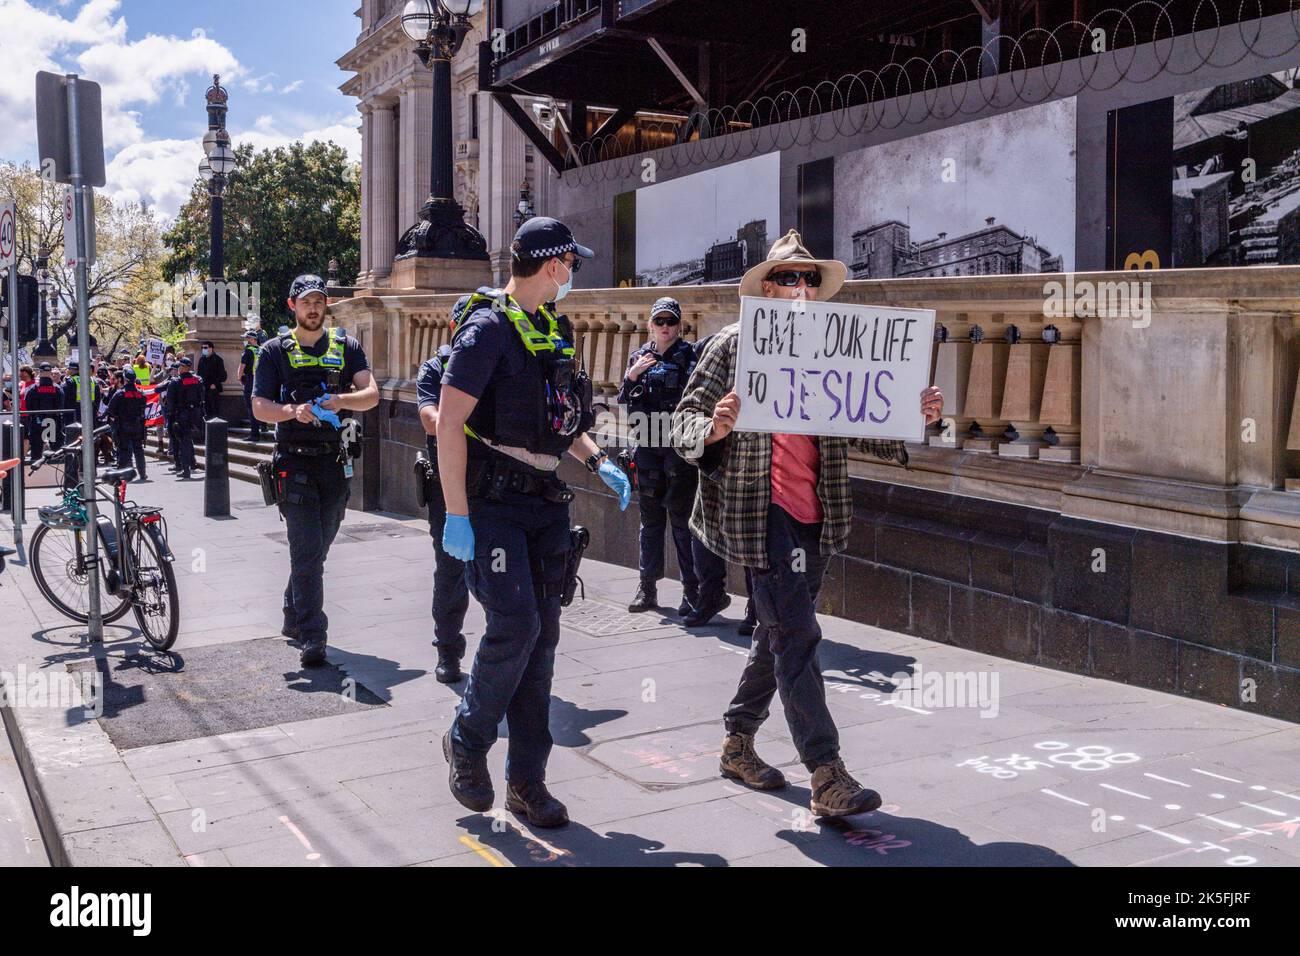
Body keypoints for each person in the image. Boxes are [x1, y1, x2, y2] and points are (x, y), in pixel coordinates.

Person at [670, 228, 944, 818]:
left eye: (810, 279)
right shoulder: (731, 345)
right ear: (766, 287)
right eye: (789, 277)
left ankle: (737, 742)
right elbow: (682, 424)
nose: (801, 287)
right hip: (757, 513)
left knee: (777, 635)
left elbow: (866, 419)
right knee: (798, 636)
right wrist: (713, 427)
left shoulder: (835, 348)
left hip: (818, 516)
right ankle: (826, 772)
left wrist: (913, 417)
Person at [436, 217, 631, 827]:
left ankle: (527, 782)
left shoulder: (556, 329)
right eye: (571, 265)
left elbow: (559, 421)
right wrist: (458, 516)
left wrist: (598, 461)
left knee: (542, 642)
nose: (573, 275)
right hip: (492, 505)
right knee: (515, 625)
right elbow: (447, 422)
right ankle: (467, 740)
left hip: (546, 502)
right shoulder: (487, 330)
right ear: (554, 265)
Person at [253, 274, 378, 667]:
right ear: (292, 305)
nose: (313, 308)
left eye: (319, 302)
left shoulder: (347, 346)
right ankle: (313, 634)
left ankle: (293, 608)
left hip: (335, 463)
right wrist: (292, 411)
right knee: (306, 552)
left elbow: (371, 394)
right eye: (306, 302)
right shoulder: (273, 351)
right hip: (293, 463)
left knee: (317, 550)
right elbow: (258, 406)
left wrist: (341, 400)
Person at [617, 295, 708, 617]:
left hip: (679, 450)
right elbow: (623, 401)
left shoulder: (690, 355)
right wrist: (631, 376)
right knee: (650, 522)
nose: (666, 327)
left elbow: (699, 398)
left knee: (682, 523)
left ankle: (692, 591)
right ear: (650, 324)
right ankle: (647, 587)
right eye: (660, 321)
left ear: (680, 324)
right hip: (647, 447)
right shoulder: (639, 357)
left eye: (671, 321)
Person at [415, 292, 482, 684]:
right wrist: (457, 421)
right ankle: (448, 651)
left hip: (492, 483)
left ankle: (503, 655)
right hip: (448, 485)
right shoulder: (436, 367)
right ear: (455, 327)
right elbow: (430, 419)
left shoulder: (495, 361)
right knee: (451, 571)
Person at [107, 369, 148, 481]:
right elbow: (144, 407)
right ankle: (142, 473)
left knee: (124, 450)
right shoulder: (140, 394)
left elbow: (110, 409)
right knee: (138, 450)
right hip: (138, 426)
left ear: (124, 379)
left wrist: (117, 416)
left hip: (123, 426)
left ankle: (125, 474)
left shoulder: (120, 393)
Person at [171, 357, 205, 480]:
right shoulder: (198, 380)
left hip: (182, 415)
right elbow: (202, 396)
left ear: (183, 367)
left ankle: (186, 470)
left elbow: (170, 402)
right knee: (189, 440)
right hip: (196, 414)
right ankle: (191, 464)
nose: (179, 369)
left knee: (184, 442)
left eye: (180, 366)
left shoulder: (175, 382)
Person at [25, 364, 62, 462]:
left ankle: (35, 470)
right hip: (53, 421)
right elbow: (61, 406)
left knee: (36, 451)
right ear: (50, 373)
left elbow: (28, 405)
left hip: (37, 421)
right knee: (56, 451)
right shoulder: (57, 388)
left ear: (39, 372)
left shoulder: (33, 389)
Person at [238, 328, 264, 441]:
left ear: (253, 339)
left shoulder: (248, 351)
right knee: (261, 405)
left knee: (251, 407)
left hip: (250, 380)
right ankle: (263, 426)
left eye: (247, 338)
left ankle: (254, 434)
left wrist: (239, 378)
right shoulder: (262, 350)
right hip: (261, 380)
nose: (245, 340)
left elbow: (241, 367)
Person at [197, 340, 227, 420]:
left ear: (211, 348)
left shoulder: (218, 360)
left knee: (214, 410)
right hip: (204, 388)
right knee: (206, 410)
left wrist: (215, 384)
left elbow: (223, 376)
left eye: (205, 347)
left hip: (213, 389)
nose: (204, 349)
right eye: (202, 348)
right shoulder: (201, 360)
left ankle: (215, 429)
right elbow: (199, 373)